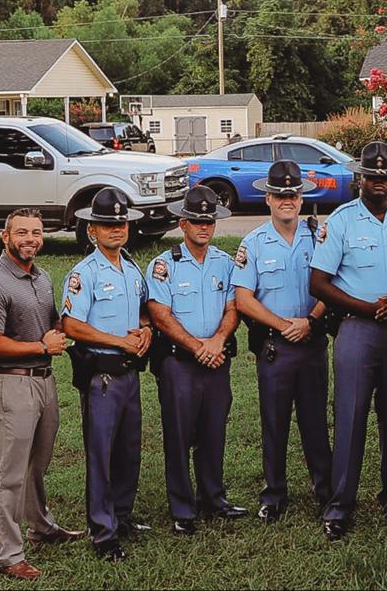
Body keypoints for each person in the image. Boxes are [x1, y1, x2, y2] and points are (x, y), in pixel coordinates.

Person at [310, 141, 387, 540]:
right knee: (351, 415)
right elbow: (319, 283)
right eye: (371, 176)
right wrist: (365, 308)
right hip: (357, 330)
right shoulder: (341, 220)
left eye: (384, 175)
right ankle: (340, 504)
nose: (379, 182)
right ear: (360, 177)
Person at [0, 208, 84, 580]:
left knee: (38, 463)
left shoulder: (42, 276)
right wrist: (41, 345)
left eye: (36, 233)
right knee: (10, 473)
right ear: (6, 237)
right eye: (22, 233)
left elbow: (53, 323)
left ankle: (42, 527)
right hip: (12, 383)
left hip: (43, 380)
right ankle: (9, 554)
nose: (30, 239)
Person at [233, 160, 330, 523]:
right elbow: (244, 299)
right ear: (268, 199)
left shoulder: (318, 237)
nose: (287, 200)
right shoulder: (253, 243)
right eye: (280, 195)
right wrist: (283, 325)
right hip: (275, 347)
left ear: (301, 198)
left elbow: (331, 285)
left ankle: (326, 492)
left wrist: (310, 321)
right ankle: (274, 494)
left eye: (293, 194)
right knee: (274, 423)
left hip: (312, 342)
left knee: (316, 422)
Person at [147, 186, 247, 536]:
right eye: (196, 221)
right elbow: (159, 314)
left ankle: (213, 498)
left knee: (213, 432)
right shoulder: (164, 264)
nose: (204, 227)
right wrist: (196, 346)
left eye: (209, 221)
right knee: (178, 435)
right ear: (182, 223)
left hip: (216, 359)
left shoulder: (224, 261)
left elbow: (233, 308)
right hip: (179, 363)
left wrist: (218, 341)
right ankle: (182, 507)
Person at [61, 188, 153, 562]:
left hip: (130, 376)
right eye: (107, 224)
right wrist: (119, 341)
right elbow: (71, 325)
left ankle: (123, 517)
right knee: (101, 454)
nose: (116, 229)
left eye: (121, 223)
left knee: (129, 452)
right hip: (102, 377)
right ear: (92, 230)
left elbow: (144, 310)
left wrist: (146, 330)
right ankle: (103, 532)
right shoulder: (85, 273)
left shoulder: (131, 269)